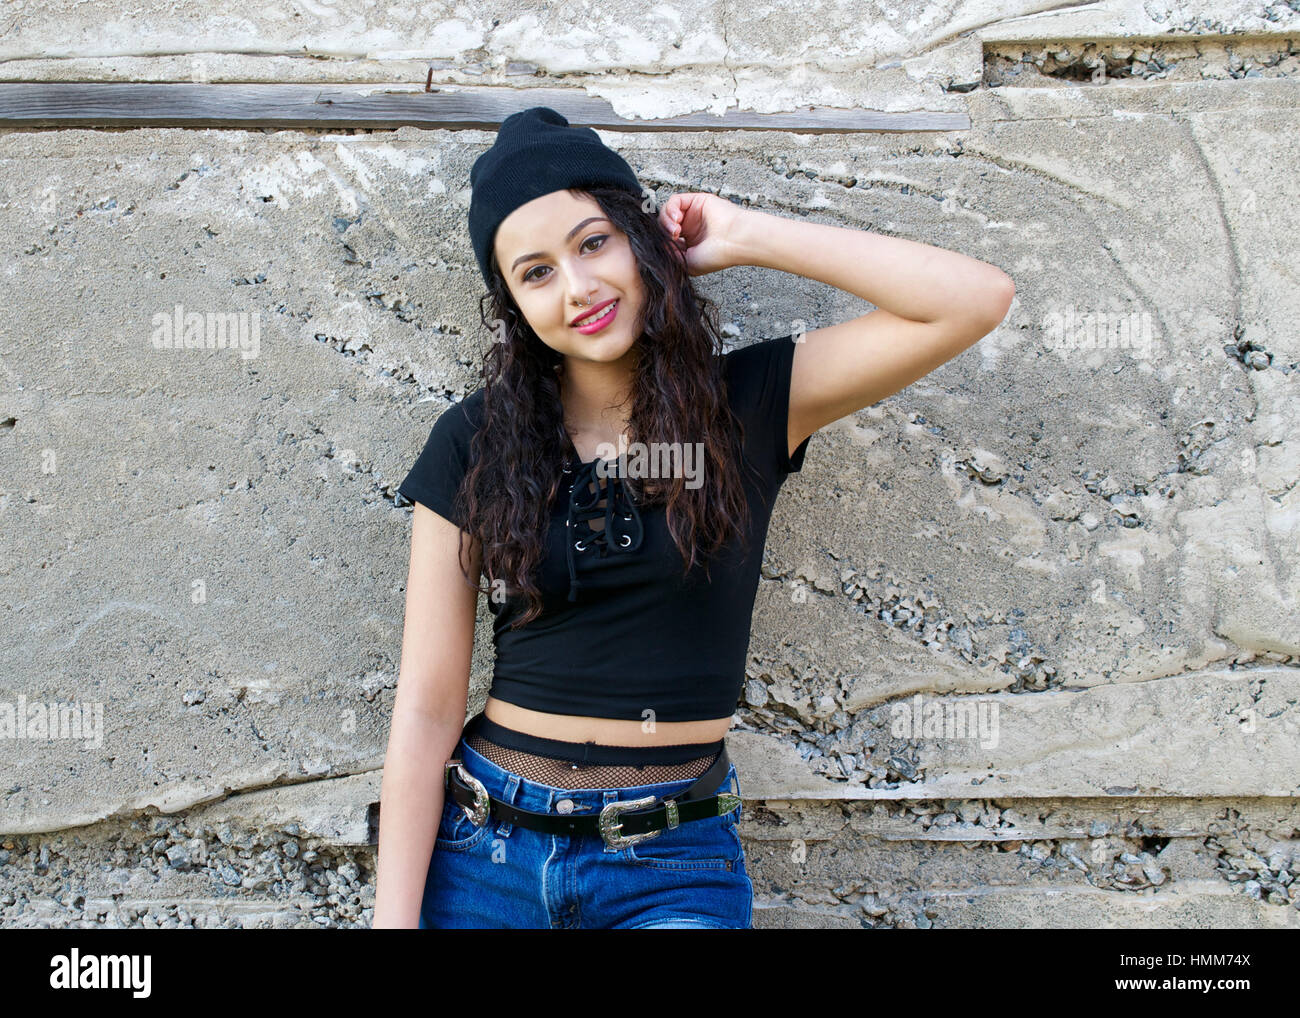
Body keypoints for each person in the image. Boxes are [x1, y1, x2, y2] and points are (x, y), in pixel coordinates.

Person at [373, 106, 1015, 929]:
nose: (577, 287)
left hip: (670, 864)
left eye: (594, 242)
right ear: (515, 306)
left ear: (642, 242)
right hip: (485, 849)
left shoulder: (749, 404)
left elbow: (973, 299)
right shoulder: (474, 439)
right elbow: (427, 707)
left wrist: (745, 234)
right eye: (535, 273)